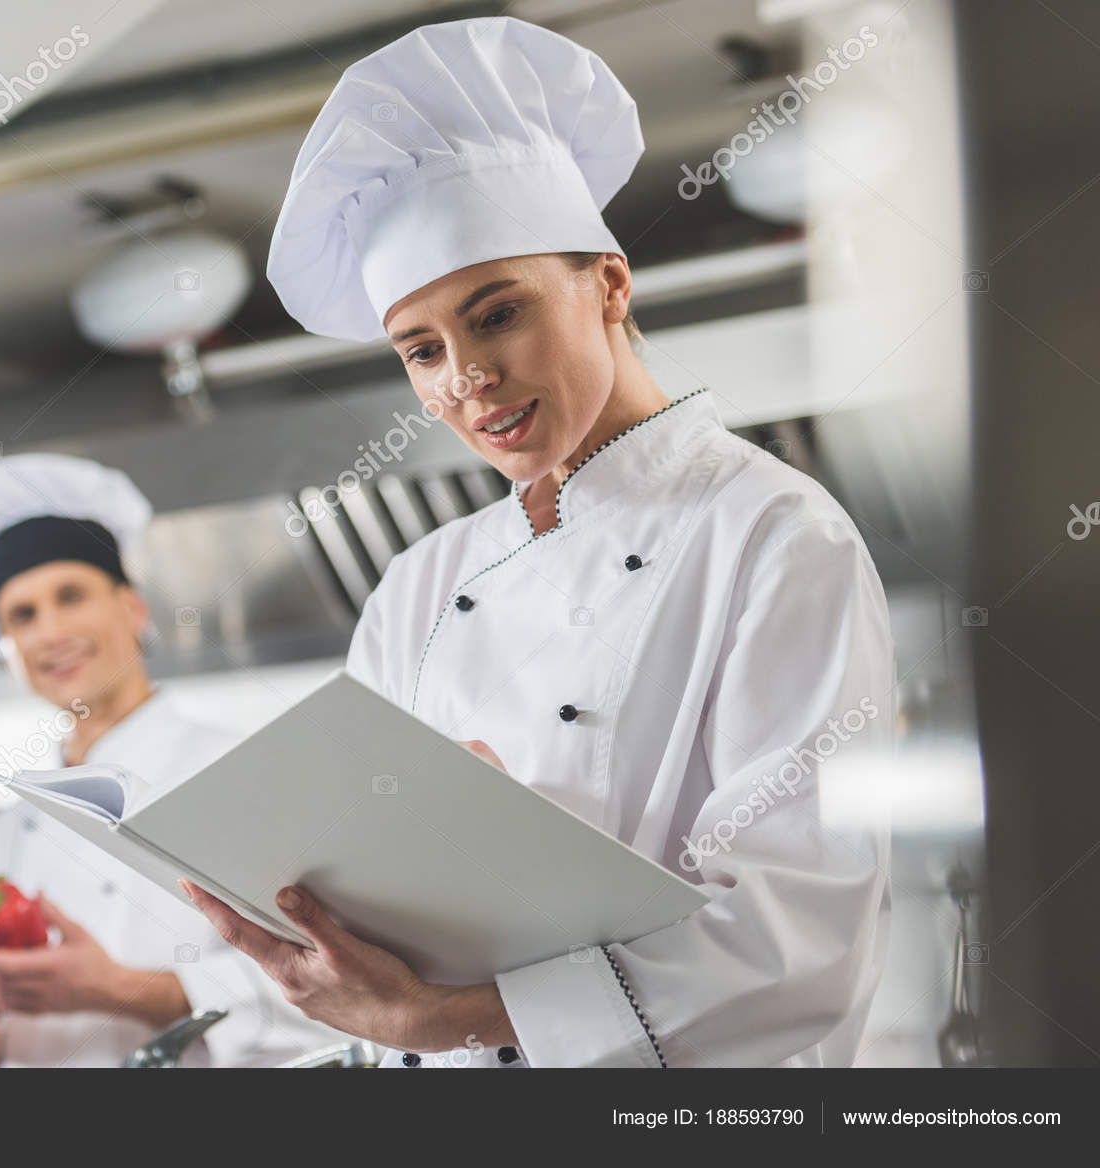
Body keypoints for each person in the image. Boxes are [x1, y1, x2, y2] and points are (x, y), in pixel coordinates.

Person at [182, 16, 895, 1069]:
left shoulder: (773, 534)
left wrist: (454, 1013)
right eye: (420, 349)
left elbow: (798, 942)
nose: (463, 378)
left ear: (608, 285)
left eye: (497, 314)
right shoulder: (419, 586)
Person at [0, 453, 340, 1067]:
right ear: (8, 650)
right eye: (23, 615)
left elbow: (330, 985)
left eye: (71, 595)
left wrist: (119, 990)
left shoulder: (238, 771)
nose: (52, 631)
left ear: (133, 608)